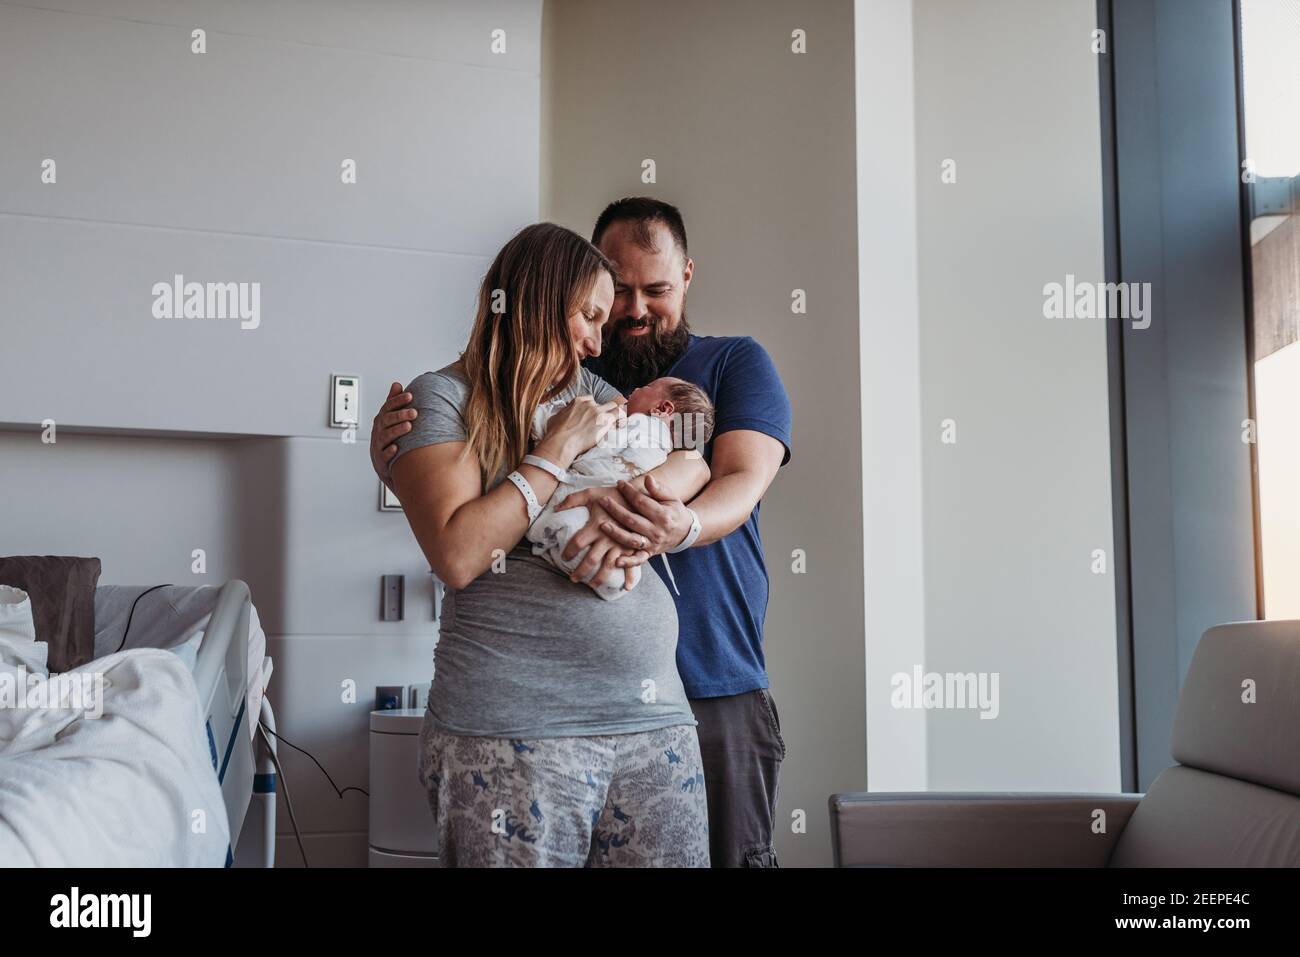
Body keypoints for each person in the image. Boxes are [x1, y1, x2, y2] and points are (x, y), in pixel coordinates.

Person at [374, 199, 792, 867]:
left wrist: (650, 509)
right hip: (517, 723)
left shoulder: (620, 382)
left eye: (648, 292)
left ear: (686, 275)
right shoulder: (447, 398)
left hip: (666, 714)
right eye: (596, 310)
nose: (608, 332)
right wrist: (553, 456)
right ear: (540, 304)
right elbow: (457, 553)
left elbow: (699, 458)